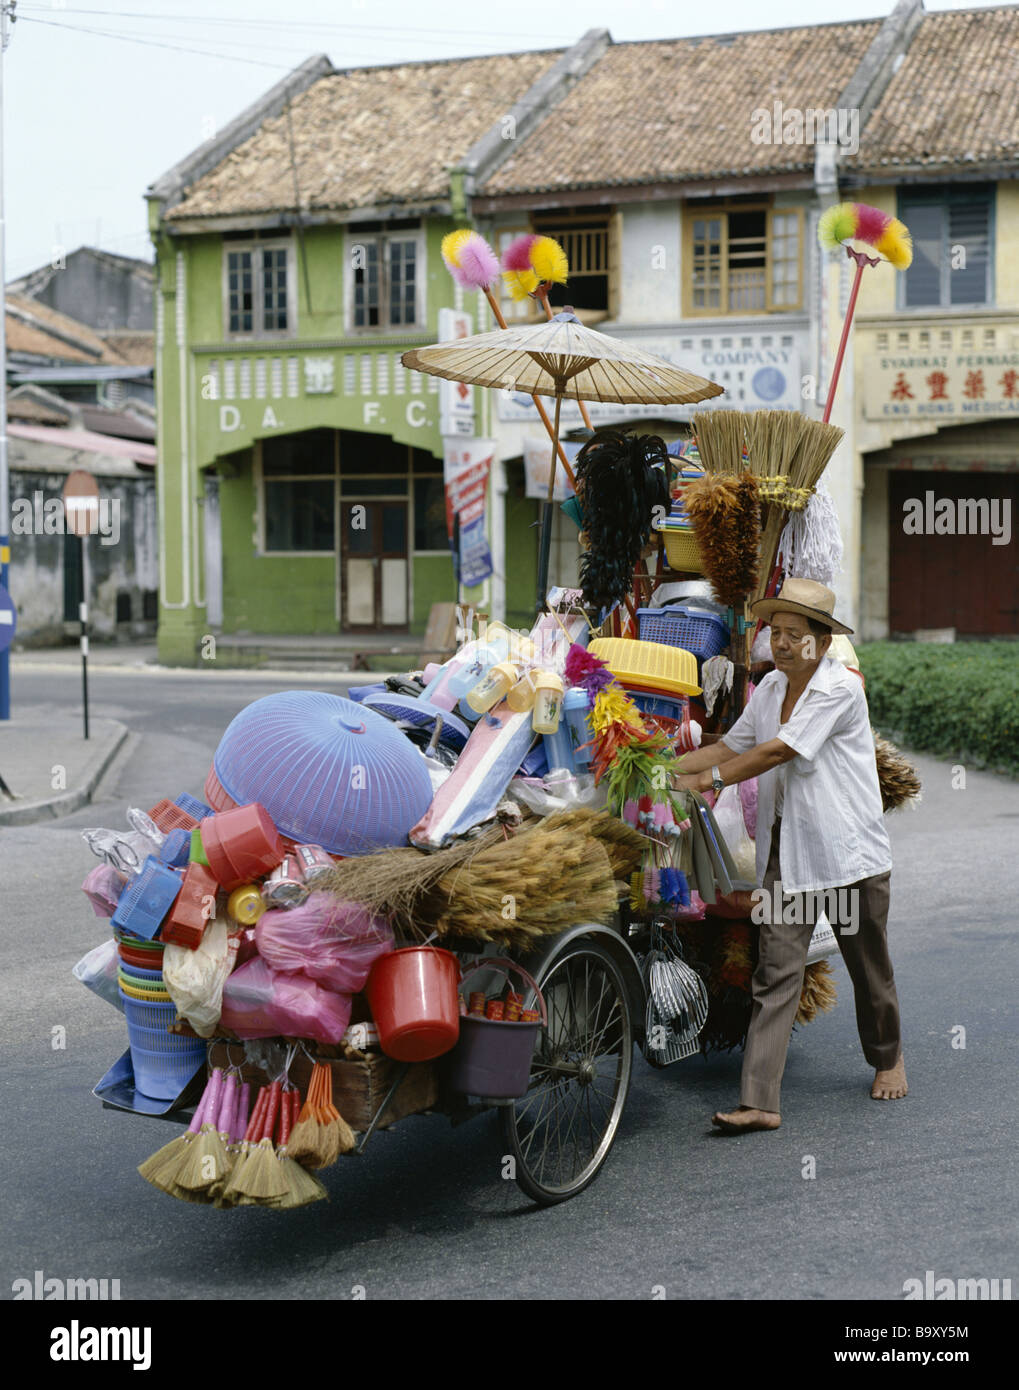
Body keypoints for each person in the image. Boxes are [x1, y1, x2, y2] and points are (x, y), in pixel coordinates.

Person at [672, 578, 906, 1133]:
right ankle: (760, 1102)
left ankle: (888, 1055)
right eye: (775, 633)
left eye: (794, 635)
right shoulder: (772, 690)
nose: (781, 644)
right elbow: (733, 742)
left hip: (849, 855)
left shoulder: (840, 688)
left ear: (822, 643)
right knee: (775, 974)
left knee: (868, 968)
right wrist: (663, 765)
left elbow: (778, 750)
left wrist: (708, 778)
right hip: (789, 856)